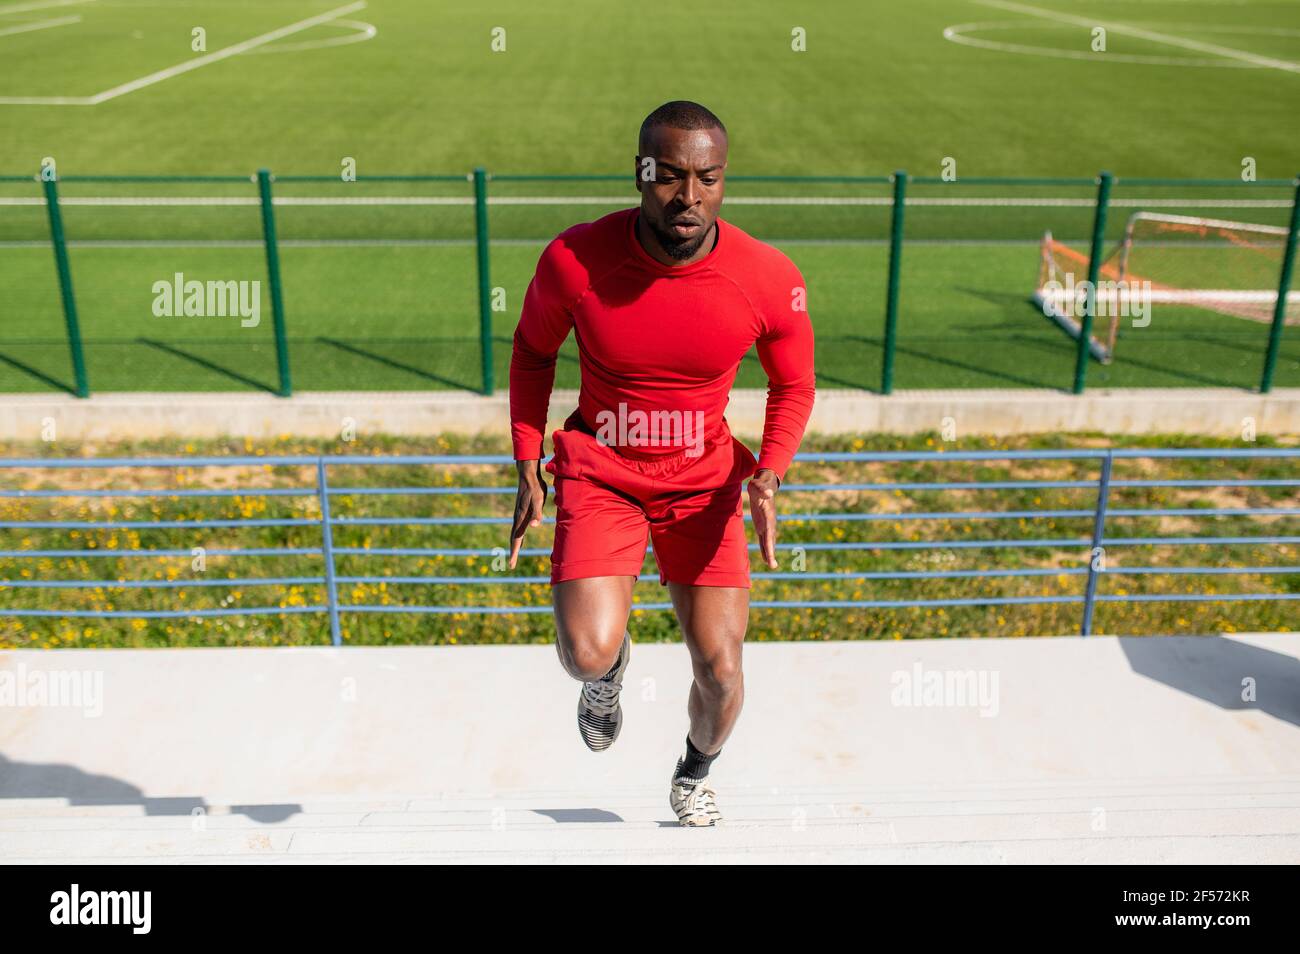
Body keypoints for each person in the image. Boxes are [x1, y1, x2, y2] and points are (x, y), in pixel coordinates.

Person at [507, 100, 816, 826]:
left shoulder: (767, 276)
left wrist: (769, 472)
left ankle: (694, 770)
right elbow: (532, 351)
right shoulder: (574, 260)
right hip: (601, 469)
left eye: (708, 178)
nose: (690, 197)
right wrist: (527, 460)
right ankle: (609, 674)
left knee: (722, 669)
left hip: (704, 481)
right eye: (670, 176)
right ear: (640, 174)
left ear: (723, 178)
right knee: (584, 652)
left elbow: (794, 382)